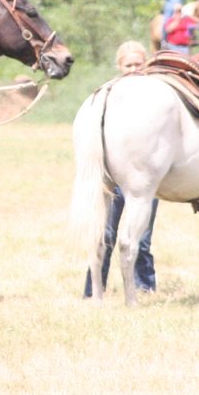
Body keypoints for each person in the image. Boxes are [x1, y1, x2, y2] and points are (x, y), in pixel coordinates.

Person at [84, 42, 160, 297]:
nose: (134, 69)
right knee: (105, 232)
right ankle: (94, 288)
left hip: (145, 175)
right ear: (119, 67)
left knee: (142, 235)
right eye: (129, 65)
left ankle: (145, 286)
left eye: (139, 64)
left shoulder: (156, 97)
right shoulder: (110, 97)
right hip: (114, 175)